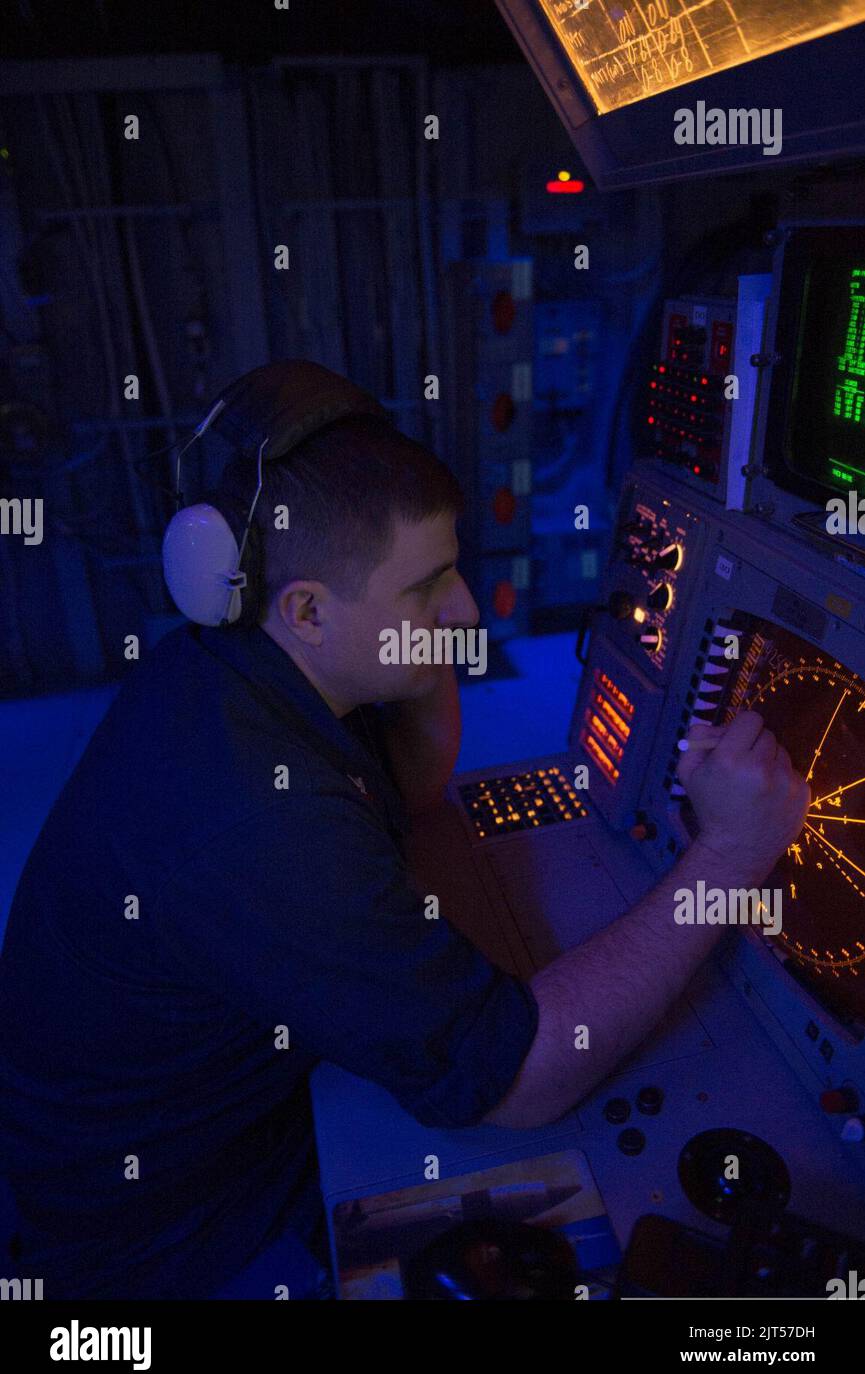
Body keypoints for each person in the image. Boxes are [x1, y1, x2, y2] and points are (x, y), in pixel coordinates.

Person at [0, 364, 809, 1300]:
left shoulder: (246, 668)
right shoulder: (253, 821)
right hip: (174, 1229)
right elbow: (522, 1082)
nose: (467, 612)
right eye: (428, 588)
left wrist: (408, 639)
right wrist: (729, 854)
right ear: (305, 610)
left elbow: (414, 796)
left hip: (215, 1124)